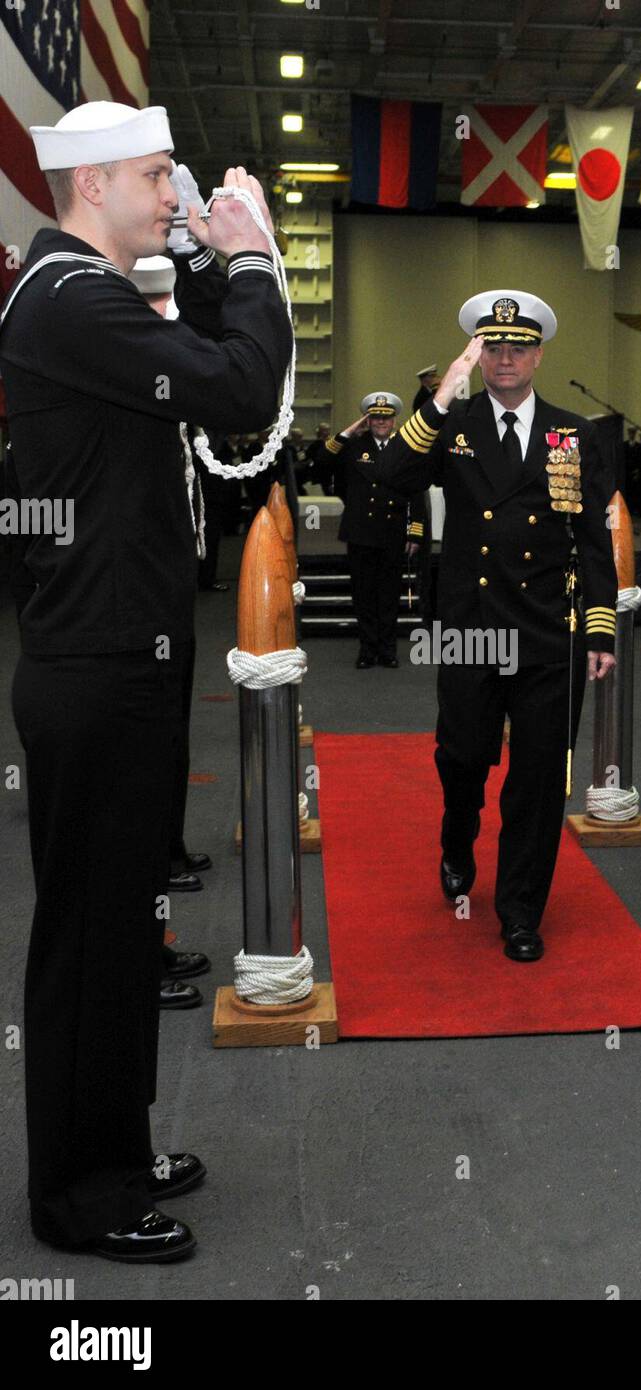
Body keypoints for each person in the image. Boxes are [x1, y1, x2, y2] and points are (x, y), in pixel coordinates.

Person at [0, 99, 292, 1260]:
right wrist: (256, 257)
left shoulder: (90, 297)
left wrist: (218, 274)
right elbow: (233, 388)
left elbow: (213, 375)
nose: (174, 196)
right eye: (157, 176)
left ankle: (113, 1151)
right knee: (88, 934)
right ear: (92, 189)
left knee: (124, 927)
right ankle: (76, 1195)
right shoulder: (72, 298)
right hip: (98, 664)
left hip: (125, 653)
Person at [369, 290, 618, 961]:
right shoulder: (452, 423)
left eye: (518, 347)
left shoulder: (575, 434)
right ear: (478, 356)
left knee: (538, 778)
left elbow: (593, 534)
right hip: (472, 627)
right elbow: (392, 476)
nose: (506, 359)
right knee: (462, 757)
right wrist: (443, 393)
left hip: (547, 631)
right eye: (493, 349)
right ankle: (457, 836)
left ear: (538, 354)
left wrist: (599, 629)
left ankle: (520, 910)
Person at [127, 254, 213, 1008]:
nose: (166, 325)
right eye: (154, 310)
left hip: (162, 608)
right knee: (121, 813)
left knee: (158, 771)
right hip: (115, 627)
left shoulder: (161, 411)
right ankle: (133, 967)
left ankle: (150, 943)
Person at [327, 392, 425, 668]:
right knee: (363, 594)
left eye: (386, 417)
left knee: (389, 595)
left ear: (395, 420)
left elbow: (416, 492)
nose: (382, 422)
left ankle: (388, 650)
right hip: (361, 530)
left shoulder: (406, 448)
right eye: (376, 418)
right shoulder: (354, 447)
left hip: (392, 531)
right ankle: (367, 650)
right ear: (367, 420)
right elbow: (323, 461)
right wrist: (347, 433)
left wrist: (415, 532)